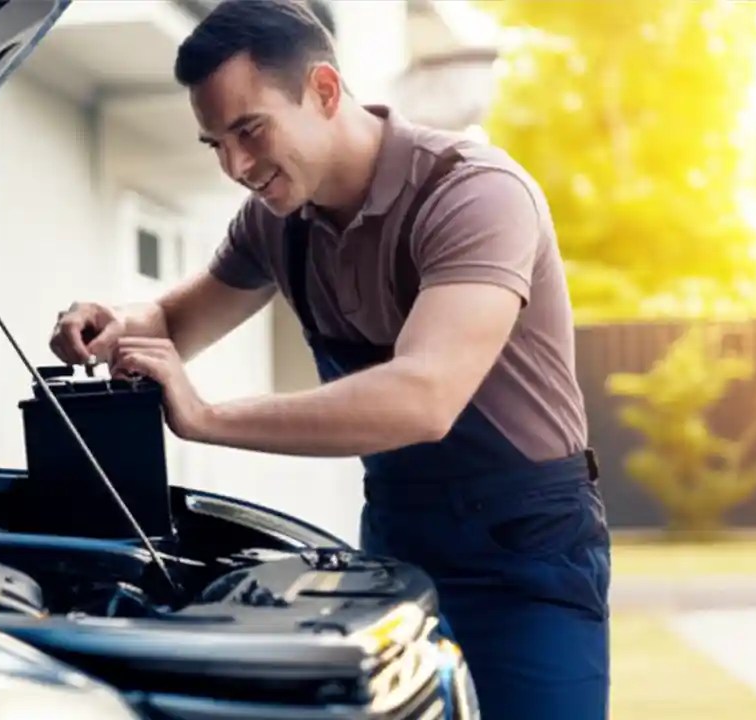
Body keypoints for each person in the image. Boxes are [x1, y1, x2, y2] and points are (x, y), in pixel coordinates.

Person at [49, 0, 611, 716]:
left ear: (323, 91)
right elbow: (168, 321)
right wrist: (110, 321)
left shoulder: (474, 195)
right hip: (397, 540)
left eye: (249, 130)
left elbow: (423, 398)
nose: (236, 166)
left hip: (526, 550)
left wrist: (209, 416)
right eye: (214, 144)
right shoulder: (275, 222)